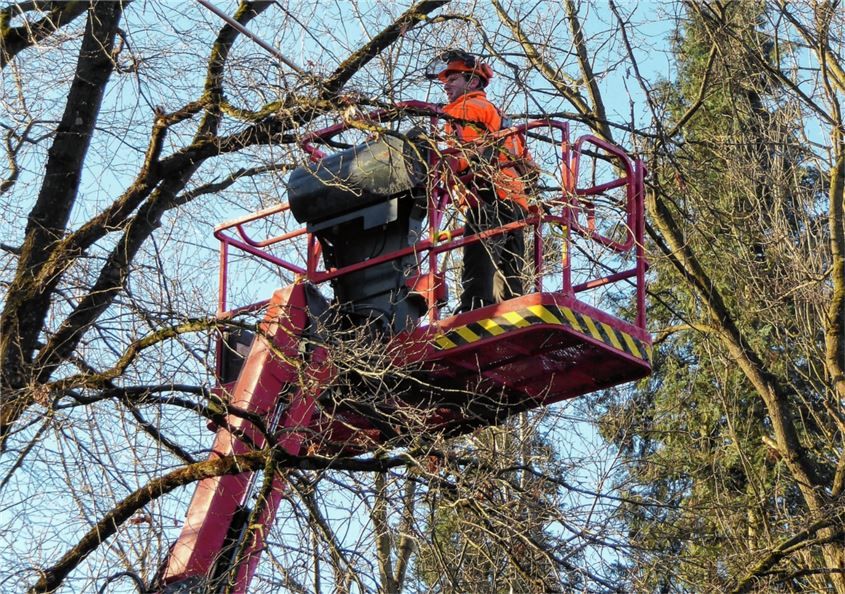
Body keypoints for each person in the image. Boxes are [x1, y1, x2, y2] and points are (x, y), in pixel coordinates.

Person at [425, 50, 534, 313]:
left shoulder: (464, 109)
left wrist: (433, 170)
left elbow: (466, 154)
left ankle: (474, 310)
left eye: (453, 79)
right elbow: (529, 166)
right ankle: (513, 312)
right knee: (510, 269)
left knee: (480, 259)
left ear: (472, 82)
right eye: (445, 80)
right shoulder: (497, 114)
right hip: (515, 198)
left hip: (488, 195)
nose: (446, 85)